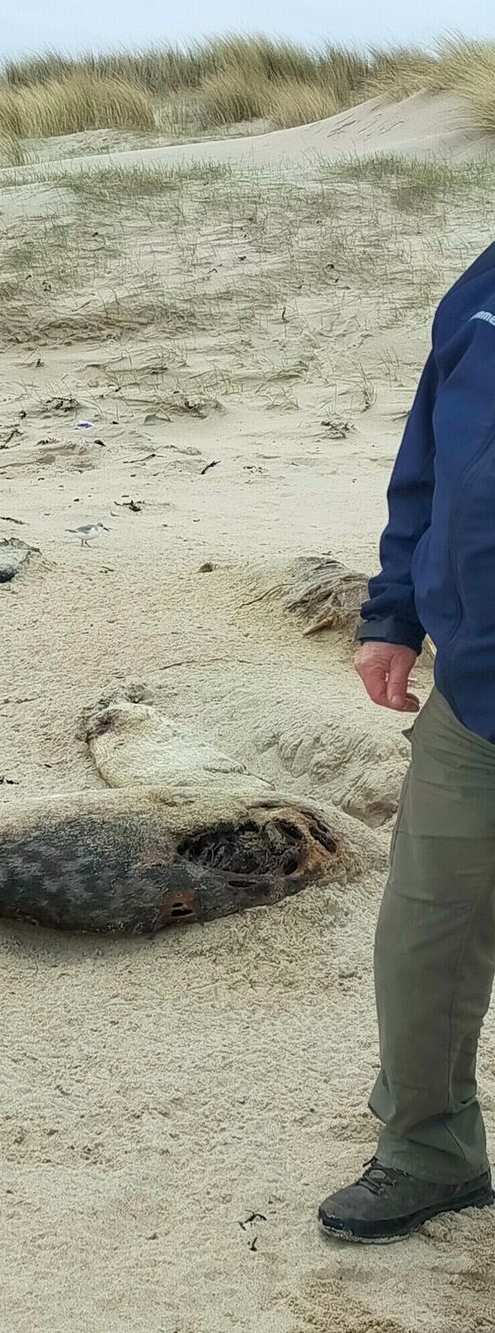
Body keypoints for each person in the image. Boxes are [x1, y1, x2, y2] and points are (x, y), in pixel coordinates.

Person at [317, 240, 495, 1242]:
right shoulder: (486, 287)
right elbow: (429, 458)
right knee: (427, 938)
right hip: (477, 693)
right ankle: (431, 1154)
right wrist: (393, 613)